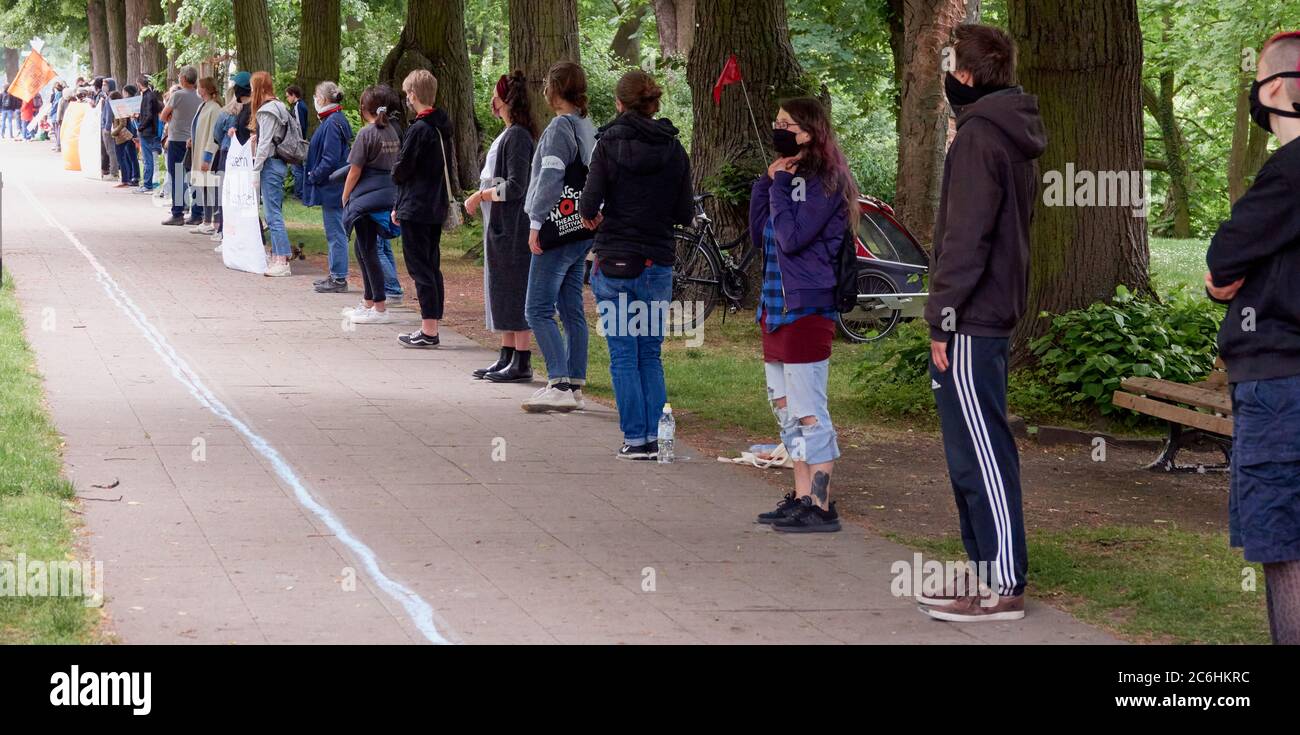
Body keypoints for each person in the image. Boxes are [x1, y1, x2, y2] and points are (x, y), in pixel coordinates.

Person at [919, 24, 1046, 620]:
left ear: (966, 74)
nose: (945, 76)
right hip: (979, 314)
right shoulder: (998, 133)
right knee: (969, 453)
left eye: (949, 64)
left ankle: (1002, 585)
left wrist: (943, 317)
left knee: (984, 452)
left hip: (973, 319)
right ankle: (982, 575)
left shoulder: (979, 139)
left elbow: (965, 241)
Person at [1206, 30, 1300, 645]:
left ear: (1274, 91)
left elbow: (1222, 262)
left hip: (1281, 382)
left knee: (1286, 548)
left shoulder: (1289, 169)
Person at [745, 96, 857, 530]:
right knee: (786, 408)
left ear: (809, 132)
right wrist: (765, 183)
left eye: (786, 123)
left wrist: (777, 186)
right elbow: (761, 235)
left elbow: (792, 237)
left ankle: (823, 506)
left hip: (807, 307)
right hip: (775, 305)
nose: (778, 128)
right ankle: (803, 494)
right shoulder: (786, 179)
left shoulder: (825, 181)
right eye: (775, 121)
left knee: (809, 408)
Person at [578, 70, 693, 458]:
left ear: (619, 103)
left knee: (623, 354)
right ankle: (658, 438)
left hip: (614, 261)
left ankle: (635, 438)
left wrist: (599, 217)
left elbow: (588, 205)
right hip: (656, 261)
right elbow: (683, 211)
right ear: (653, 103)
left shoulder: (606, 145)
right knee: (650, 353)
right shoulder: (675, 149)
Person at [519, 61, 597, 411]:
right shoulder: (587, 126)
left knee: (536, 308)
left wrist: (536, 221)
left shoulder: (559, 128)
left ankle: (558, 382)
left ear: (553, 89)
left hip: (556, 228)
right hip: (581, 228)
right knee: (571, 308)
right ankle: (575, 382)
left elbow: (550, 177)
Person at [465, 71, 537, 382]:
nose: (491, 101)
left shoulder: (518, 136)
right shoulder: (509, 134)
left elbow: (516, 185)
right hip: (500, 224)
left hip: (514, 225)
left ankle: (522, 359)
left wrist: (482, 194)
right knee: (502, 289)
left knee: (514, 288)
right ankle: (507, 353)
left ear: (505, 100)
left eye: (495, 94)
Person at [392, 69, 453, 347]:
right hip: (434, 204)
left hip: (416, 206)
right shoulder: (442, 127)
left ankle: (429, 328)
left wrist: (396, 176)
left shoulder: (419, 129)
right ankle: (432, 321)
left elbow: (403, 169)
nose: (406, 99)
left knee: (420, 267)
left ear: (413, 95)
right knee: (431, 263)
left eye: (407, 94)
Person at [340, 85, 401, 323]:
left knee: (368, 249)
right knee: (363, 247)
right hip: (386, 194)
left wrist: (345, 196)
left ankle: (379, 307)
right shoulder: (392, 132)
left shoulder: (367, 133)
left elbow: (355, 170)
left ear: (364, 109)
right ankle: (368, 301)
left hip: (366, 197)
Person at [305, 81, 353, 294]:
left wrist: (314, 175)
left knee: (336, 233)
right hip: (334, 185)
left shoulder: (332, 122)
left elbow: (330, 158)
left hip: (332, 186)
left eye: (316, 96)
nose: (314, 100)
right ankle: (335, 274)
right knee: (335, 232)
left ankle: (339, 277)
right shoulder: (335, 120)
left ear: (322, 99)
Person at [249, 71, 296, 277]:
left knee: (272, 213)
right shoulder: (281, 106)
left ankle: (282, 259)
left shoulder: (267, 111)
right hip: (280, 163)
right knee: (273, 211)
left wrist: (255, 168)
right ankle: (279, 254)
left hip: (270, 164)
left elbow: (265, 144)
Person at [213, 72, 254, 251]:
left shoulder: (246, 109)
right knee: (234, 197)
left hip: (238, 158)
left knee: (233, 196)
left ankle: (231, 233)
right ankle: (232, 234)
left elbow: (217, 134)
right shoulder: (245, 108)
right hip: (238, 157)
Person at [160, 67, 203, 226]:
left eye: (180, 76)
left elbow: (164, 115)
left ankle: (177, 213)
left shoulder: (177, 95)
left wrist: (172, 118)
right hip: (194, 139)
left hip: (177, 139)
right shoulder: (200, 96)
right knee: (194, 176)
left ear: (184, 78)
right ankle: (198, 212)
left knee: (177, 176)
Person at [188, 77, 222, 236]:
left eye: (200, 87)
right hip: (199, 149)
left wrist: (207, 157)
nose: (197, 89)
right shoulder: (203, 106)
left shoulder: (214, 109)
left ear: (205, 89)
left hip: (207, 154)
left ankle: (213, 222)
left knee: (210, 188)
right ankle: (206, 220)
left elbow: (212, 135)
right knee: (204, 187)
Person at [136, 74, 164, 193]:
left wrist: (140, 127)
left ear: (139, 84)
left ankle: (147, 184)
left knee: (147, 159)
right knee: (149, 159)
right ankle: (149, 183)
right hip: (150, 130)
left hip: (147, 132)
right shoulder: (151, 96)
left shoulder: (147, 96)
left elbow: (148, 115)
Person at [109, 90, 139, 188]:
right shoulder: (122, 105)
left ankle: (125, 180)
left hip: (122, 136)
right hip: (127, 135)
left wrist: (114, 132)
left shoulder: (119, 107)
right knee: (127, 157)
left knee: (121, 157)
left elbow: (123, 123)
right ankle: (129, 178)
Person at [285, 84, 309, 201]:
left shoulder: (298, 106)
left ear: (294, 95)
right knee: (299, 168)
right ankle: (302, 192)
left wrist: (298, 140)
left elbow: (299, 125)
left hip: (299, 141)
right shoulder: (301, 105)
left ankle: (299, 193)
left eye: (288, 96)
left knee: (297, 169)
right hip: (301, 140)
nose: (287, 99)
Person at [97, 77, 119, 179]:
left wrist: (107, 127)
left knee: (111, 150)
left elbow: (109, 114)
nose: (103, 87)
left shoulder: (110, 98)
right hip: (106, 126)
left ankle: (114, 172)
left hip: (107, 128)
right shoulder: (107, 97)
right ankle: (113, 171)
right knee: (109, 150)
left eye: (105, 85)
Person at [49, 82, 65, 152]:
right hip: (56, 115)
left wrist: (50, 112)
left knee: (57, 131)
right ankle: (58, 145)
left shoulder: (58, 94)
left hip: (56, 115)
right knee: (57, 131)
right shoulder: (58, 94)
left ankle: (58, 146)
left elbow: (55, 105)